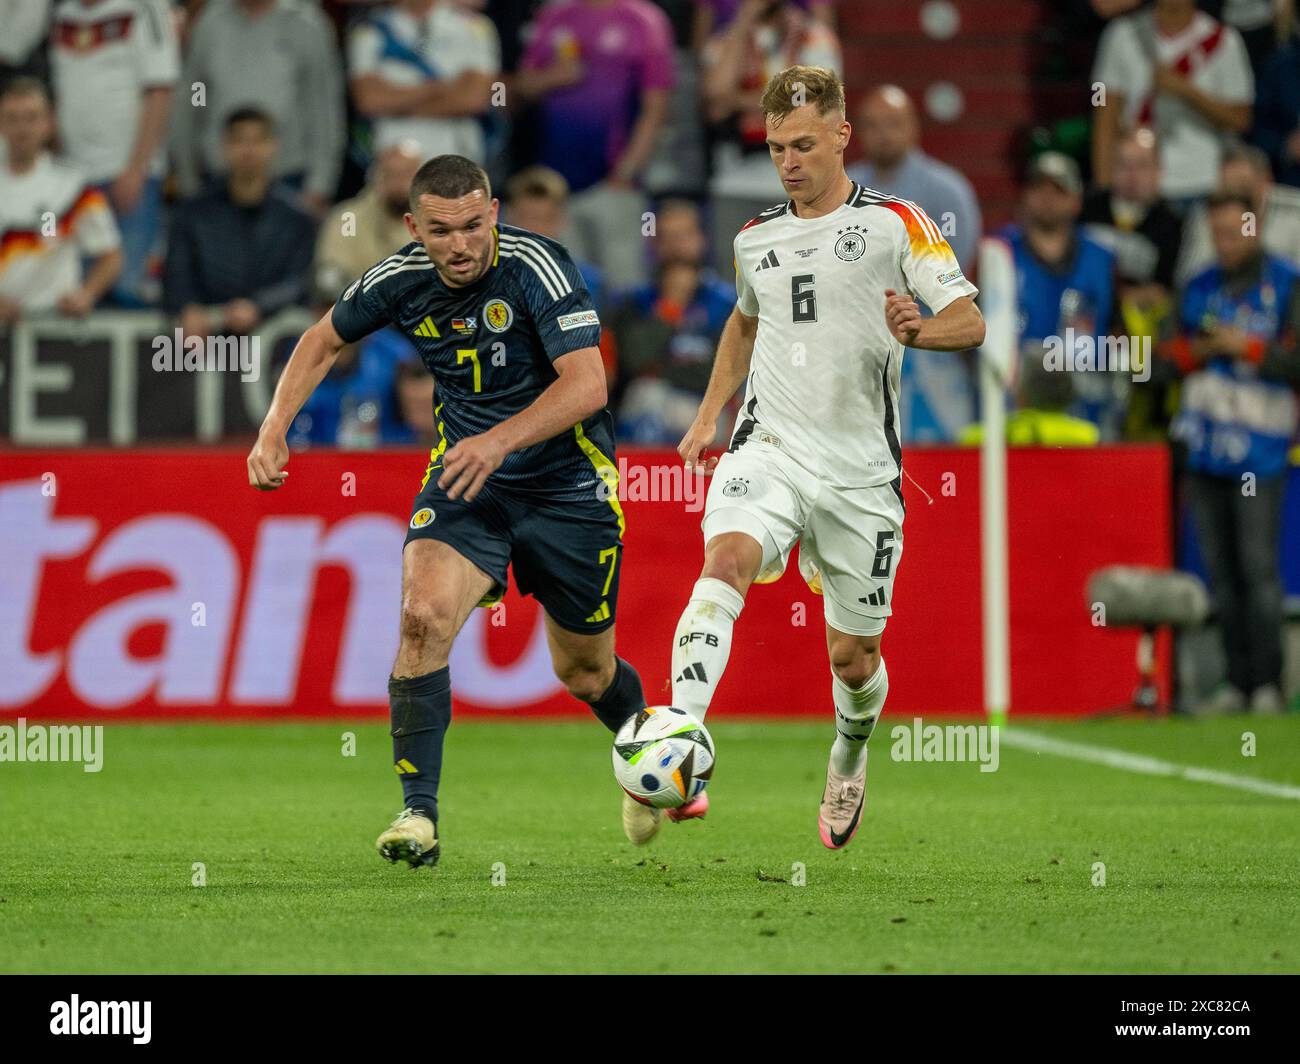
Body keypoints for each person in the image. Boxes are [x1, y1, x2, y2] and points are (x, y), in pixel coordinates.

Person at [246, 154, 651, 866]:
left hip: (567, 486)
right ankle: (418, 815)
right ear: (413, 227)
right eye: (441, 231)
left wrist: (498, 439)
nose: (460, 245)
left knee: (585, 672)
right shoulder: (400, 279)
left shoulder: (539, 267)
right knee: (422, 616)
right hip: (469, 480)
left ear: (493, 213)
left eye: (472, 226)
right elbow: (320, 341)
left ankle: (647, 751)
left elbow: (589, 385)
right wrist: (274, 427)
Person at [666, 66, 984, 848]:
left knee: (852, 658)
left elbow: (969, 322)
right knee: (727, 557)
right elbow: (744, 322)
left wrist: (918, 331)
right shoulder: (754, 238)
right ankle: (678, 737)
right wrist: (711, 414)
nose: (789, 161)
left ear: (843, 136)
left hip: (862, 473)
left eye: (804, 144)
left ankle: (848, 752)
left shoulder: (897, 224)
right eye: (776, 147)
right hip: (769, 445)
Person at [1163, 191, 1300, 716]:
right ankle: (1234, 684)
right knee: (1220, 573)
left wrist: (1248, 349)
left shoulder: (1286, 284)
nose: (1223, 244)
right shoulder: (1197, 286)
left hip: (1262, 453)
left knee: (1258, 570)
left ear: (1255, 225)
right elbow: (1164, 361)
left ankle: (1267, 684)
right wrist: (1200, 351)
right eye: (1215, 234)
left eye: (1233, 232)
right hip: (1205, 451)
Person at [517, 0, 676, 290]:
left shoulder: (645, 20)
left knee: (623, 287)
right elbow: (522, 86)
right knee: (560, 287)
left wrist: (627, 171)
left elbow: (657, 105)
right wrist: (554, 76)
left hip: (614, 181)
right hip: (556, 187)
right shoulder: (554, 15)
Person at [49, 0, 179, 308]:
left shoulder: (146, 8)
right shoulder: (63, 13)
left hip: (127, 174)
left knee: (128, 288)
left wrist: (137, 169)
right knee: (75, 291)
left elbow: (161, 90)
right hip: (75, 179)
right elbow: (59, 92)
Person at [701, 0, 842, 280]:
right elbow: (715, 97)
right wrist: (743, 24)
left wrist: (737, 100)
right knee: (738, 285)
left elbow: (816, 106)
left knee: (801, 280)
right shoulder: (724, 42)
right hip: (733, 182)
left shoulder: (815, 37)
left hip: (800, 184)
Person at [171, 0, 345, 218]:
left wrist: (319, 186)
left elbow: (324, 111)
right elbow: (194, 98)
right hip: (216, 180)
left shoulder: (306, 23)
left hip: (289, 182)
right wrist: (188, 179)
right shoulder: (210, 22)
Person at [164, 108, 318, 339]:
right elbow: (176, 272)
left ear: (273, 146)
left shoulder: (297, 219)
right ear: (224, 146)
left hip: (277, 344)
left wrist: (258, 306)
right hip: (202, 345)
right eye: (239, 140)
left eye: (258, 140)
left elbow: (301, 281)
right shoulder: (192, 213)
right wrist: (187, 307)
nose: (248, 150)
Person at [1000, 152, 1120, 437]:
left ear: (1076, 200)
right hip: (1015, 416)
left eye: (1059, 190)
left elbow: (1120, 332)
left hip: (1086, 416)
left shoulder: (1102, 260)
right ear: (1025, 196)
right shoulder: (998, 254)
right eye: (1039, 189)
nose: (1047, 198)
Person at [1091, 0, 1254, 203]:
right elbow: (1103, 111)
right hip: (1135, 185)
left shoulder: (1225, 40)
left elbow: (1241, 120)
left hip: (1203, 181)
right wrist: (1104, 186)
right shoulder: (1121, 33)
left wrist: (1187, 92)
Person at [0, 77, 122, 324]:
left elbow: (111, 255)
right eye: (12, 118)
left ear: (49, 123)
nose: (22, 128)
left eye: (32, 118)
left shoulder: (73, 186)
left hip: (55, 325)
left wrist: (86, 295)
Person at [347, 0, 500, 166]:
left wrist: (395, 100)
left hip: (458, 153)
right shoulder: (370, 30)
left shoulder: (474, 26)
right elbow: (370, 101)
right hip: (391, 158)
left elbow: (474, 99)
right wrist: (445, 88)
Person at [1175, 140, 1300, 287]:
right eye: (1228, 190)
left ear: (1267, 182)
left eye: (1243, 187)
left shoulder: (1295, 211)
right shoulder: (1206, 216)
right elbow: (1189, 278)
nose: (1235, 198)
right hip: (1223, 301)